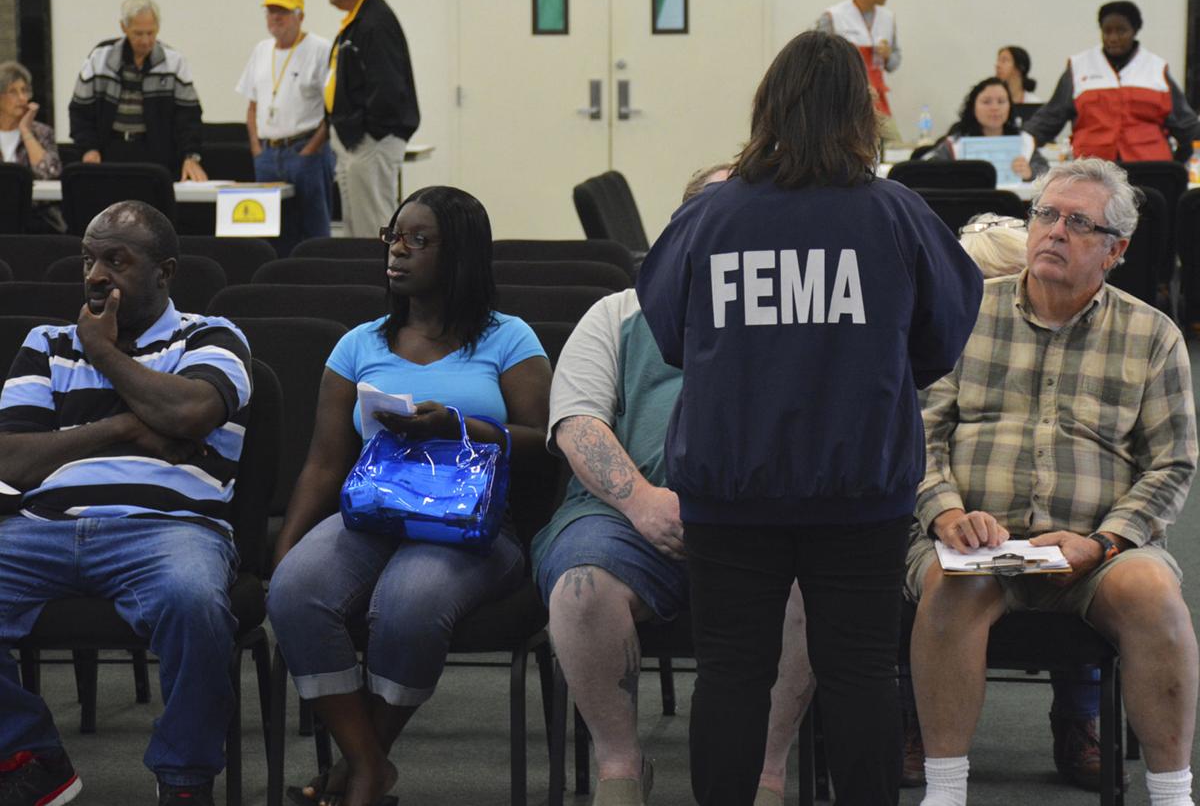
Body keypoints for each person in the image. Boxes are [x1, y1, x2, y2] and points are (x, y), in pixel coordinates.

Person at [635, 30, 983, 806]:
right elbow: (945, 331)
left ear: (767, 109)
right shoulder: (897, 214)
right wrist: (876, 372)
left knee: (729, 674)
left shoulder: (708, 218)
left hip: (730, 488)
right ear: (859, 114)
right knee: (859, 672)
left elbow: (670, 336)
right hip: (860, 489)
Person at [908, 158, 1199, 806]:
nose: (1053, 231)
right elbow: (917, 430)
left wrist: (1102, 541)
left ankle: (1173, 794)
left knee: (1156, 593)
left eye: (1077, 222)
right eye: (1044, 214)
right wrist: (945, 512)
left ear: (1115, 249)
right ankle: (945, 791)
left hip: (1099, 550)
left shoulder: (1152, 336)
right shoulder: (964, 313)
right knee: (955, 578)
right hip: (974, 536)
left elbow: (1172, 464)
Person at [534, 164, 814, 806]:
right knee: (581, 589)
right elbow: (577, 422)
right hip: (624, 513)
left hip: (763, 519)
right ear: (683, 226)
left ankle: (766, 775)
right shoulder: (617, 311)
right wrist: (642, 501)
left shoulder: (796, 310)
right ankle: (621, 770)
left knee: (812, 586)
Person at [268, 185, 551, 806]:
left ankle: (359, 771)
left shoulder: (508, 339)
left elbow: (542, 442)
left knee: (408, 601)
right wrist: (283, 550)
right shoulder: (359, 344)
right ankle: (367, 765)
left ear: (461, 255)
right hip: (374, 512)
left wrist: (458, 425)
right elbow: (324, 461)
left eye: (416, 241)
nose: (396, 251)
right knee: (295, 589)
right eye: (392, 237)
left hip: (475, 521)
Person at [0, 200, 253, 806]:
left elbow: (191, 411)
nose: (95, 276)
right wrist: (122, 430)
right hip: (44, 527)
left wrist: (104, 353)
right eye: (89, 259)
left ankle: (185, 784)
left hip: (168, 530)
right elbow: (9, 461)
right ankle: (30, 758)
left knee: (195, 601)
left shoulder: (211, 336)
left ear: (164, 271)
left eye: (117, 260)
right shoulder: (47, 344)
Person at [309, 0, 419, 238]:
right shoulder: (358, 20)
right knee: (356, 230)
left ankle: (381, 281)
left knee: (372, 226)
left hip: (370, 142)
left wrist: (367, 134)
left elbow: (388, 88)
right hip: (354, 142)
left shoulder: (375, 22)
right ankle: (364, 280)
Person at [1025, 1, 1200, 162]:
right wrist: (1019, 143)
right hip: (1094, 168)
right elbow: (1050, 118)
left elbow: (1186, 126)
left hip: (1150, 166)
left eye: (1121, 31)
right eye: (1107, 31)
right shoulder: (1079, 67)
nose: (1113, 38)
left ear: (1135, 31)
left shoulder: (1156, 68)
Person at [236, 0, 334, 251]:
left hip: (306, 151)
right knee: (272, 232)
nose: (275, 17)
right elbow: (252, 105)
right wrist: (257, 149)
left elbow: (333, 108)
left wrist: (312, 149)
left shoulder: (320, 49)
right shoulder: (261, 50)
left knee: (314, 232)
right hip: (268, 155)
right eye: (271, 11)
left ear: (300, 16)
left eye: (283, 11)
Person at [68, 0, 207, 182]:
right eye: (138, 33)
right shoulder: (99, 59)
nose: (145, 41)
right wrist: (88, 149)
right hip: (109, 153)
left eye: (151, 33)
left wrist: (191, 156)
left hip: (156, 156)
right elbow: (80, 110)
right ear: (123, 28)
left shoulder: (174, 63)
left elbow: (189, 116)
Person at [818, 0, 901, 139]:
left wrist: (887, 56)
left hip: (877, 97)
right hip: (843, 97)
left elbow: (895, 62)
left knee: (893, 143)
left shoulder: (887, 18)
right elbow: (818, 58)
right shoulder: (834, 16)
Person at [922, 77, 1048, 182]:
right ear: (973, 107)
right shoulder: (956, 143)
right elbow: (924, 169)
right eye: (986, 102)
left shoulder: (1023, 141)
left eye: (1001, 101)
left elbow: (1046, 172)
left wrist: (1031, 172)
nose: (995, 108)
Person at [0, 60, 65, 232]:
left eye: (25, 91)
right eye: (13, 92)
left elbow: (49, 175)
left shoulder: (42, 133)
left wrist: (25, 131)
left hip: (35, 215)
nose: (22, 98)